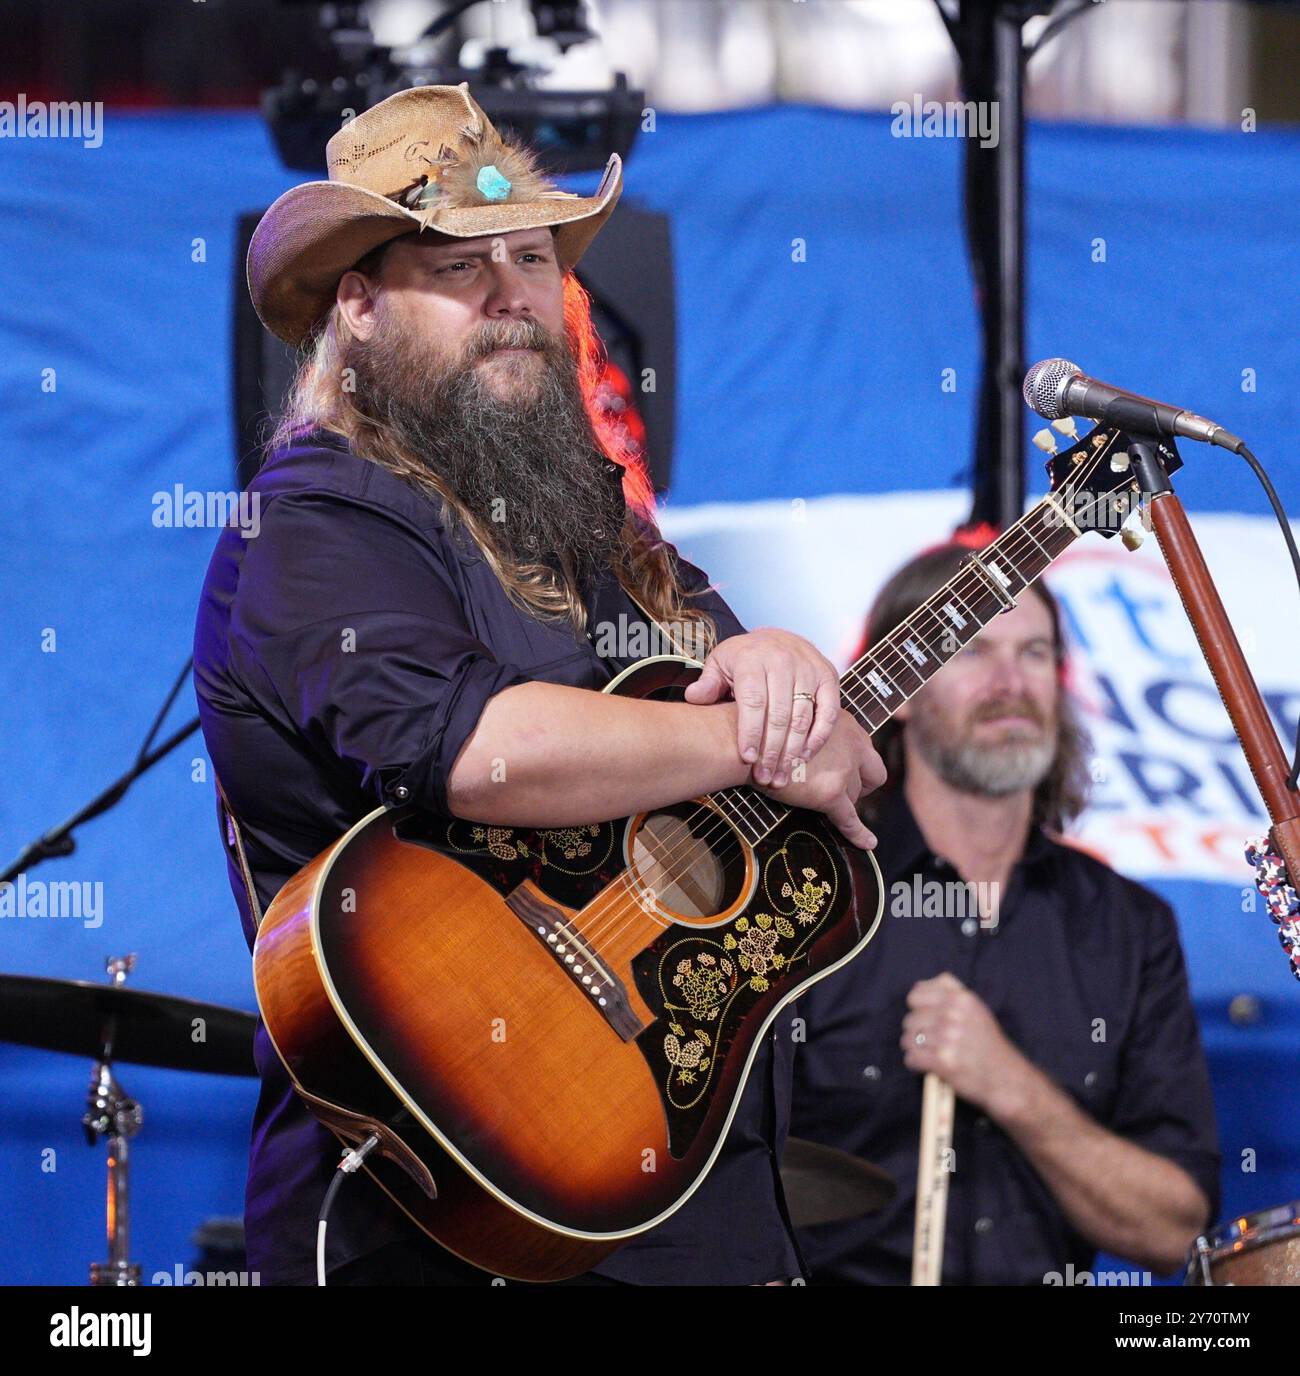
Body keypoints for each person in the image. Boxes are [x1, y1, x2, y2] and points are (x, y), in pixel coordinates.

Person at [193, 82, 886, 1286]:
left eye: (530, 256)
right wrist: (754, 741)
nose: (513, 293)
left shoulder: (598, 524)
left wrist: (783, 665)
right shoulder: (312, 520)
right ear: (357, 304)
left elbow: (820, 749)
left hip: (687, 1199)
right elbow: (478, 750)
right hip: (434, 1215)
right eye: (460, 264)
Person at [790, 537, 1220, 1285]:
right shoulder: (809, 896)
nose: (1011, 683)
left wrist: (1010, 1085)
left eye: (1033, 654)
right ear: (904, 687)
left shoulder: (1128, 925)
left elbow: (1177, 1230)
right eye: (973, 650)